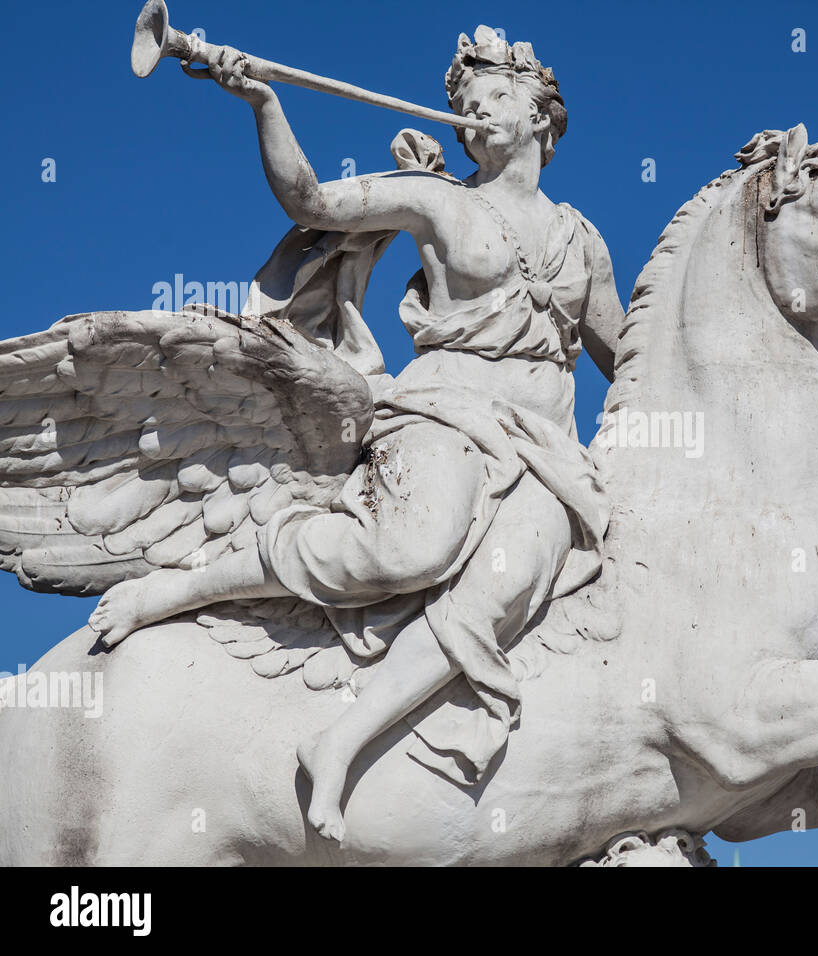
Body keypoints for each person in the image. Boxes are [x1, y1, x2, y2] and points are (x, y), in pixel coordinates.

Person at [89, 26, 624, 842]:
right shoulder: (438, 198)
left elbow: (625, 354)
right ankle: (189, 586)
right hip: (444, 416)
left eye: (495, 99)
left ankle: (338, 739)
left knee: (505, 587)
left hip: (547, 455)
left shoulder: (583, 240)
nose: (475, 113)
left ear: (543, 116)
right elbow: (311, 201)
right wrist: (264, 102)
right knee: (410, 549)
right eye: (465, 106)